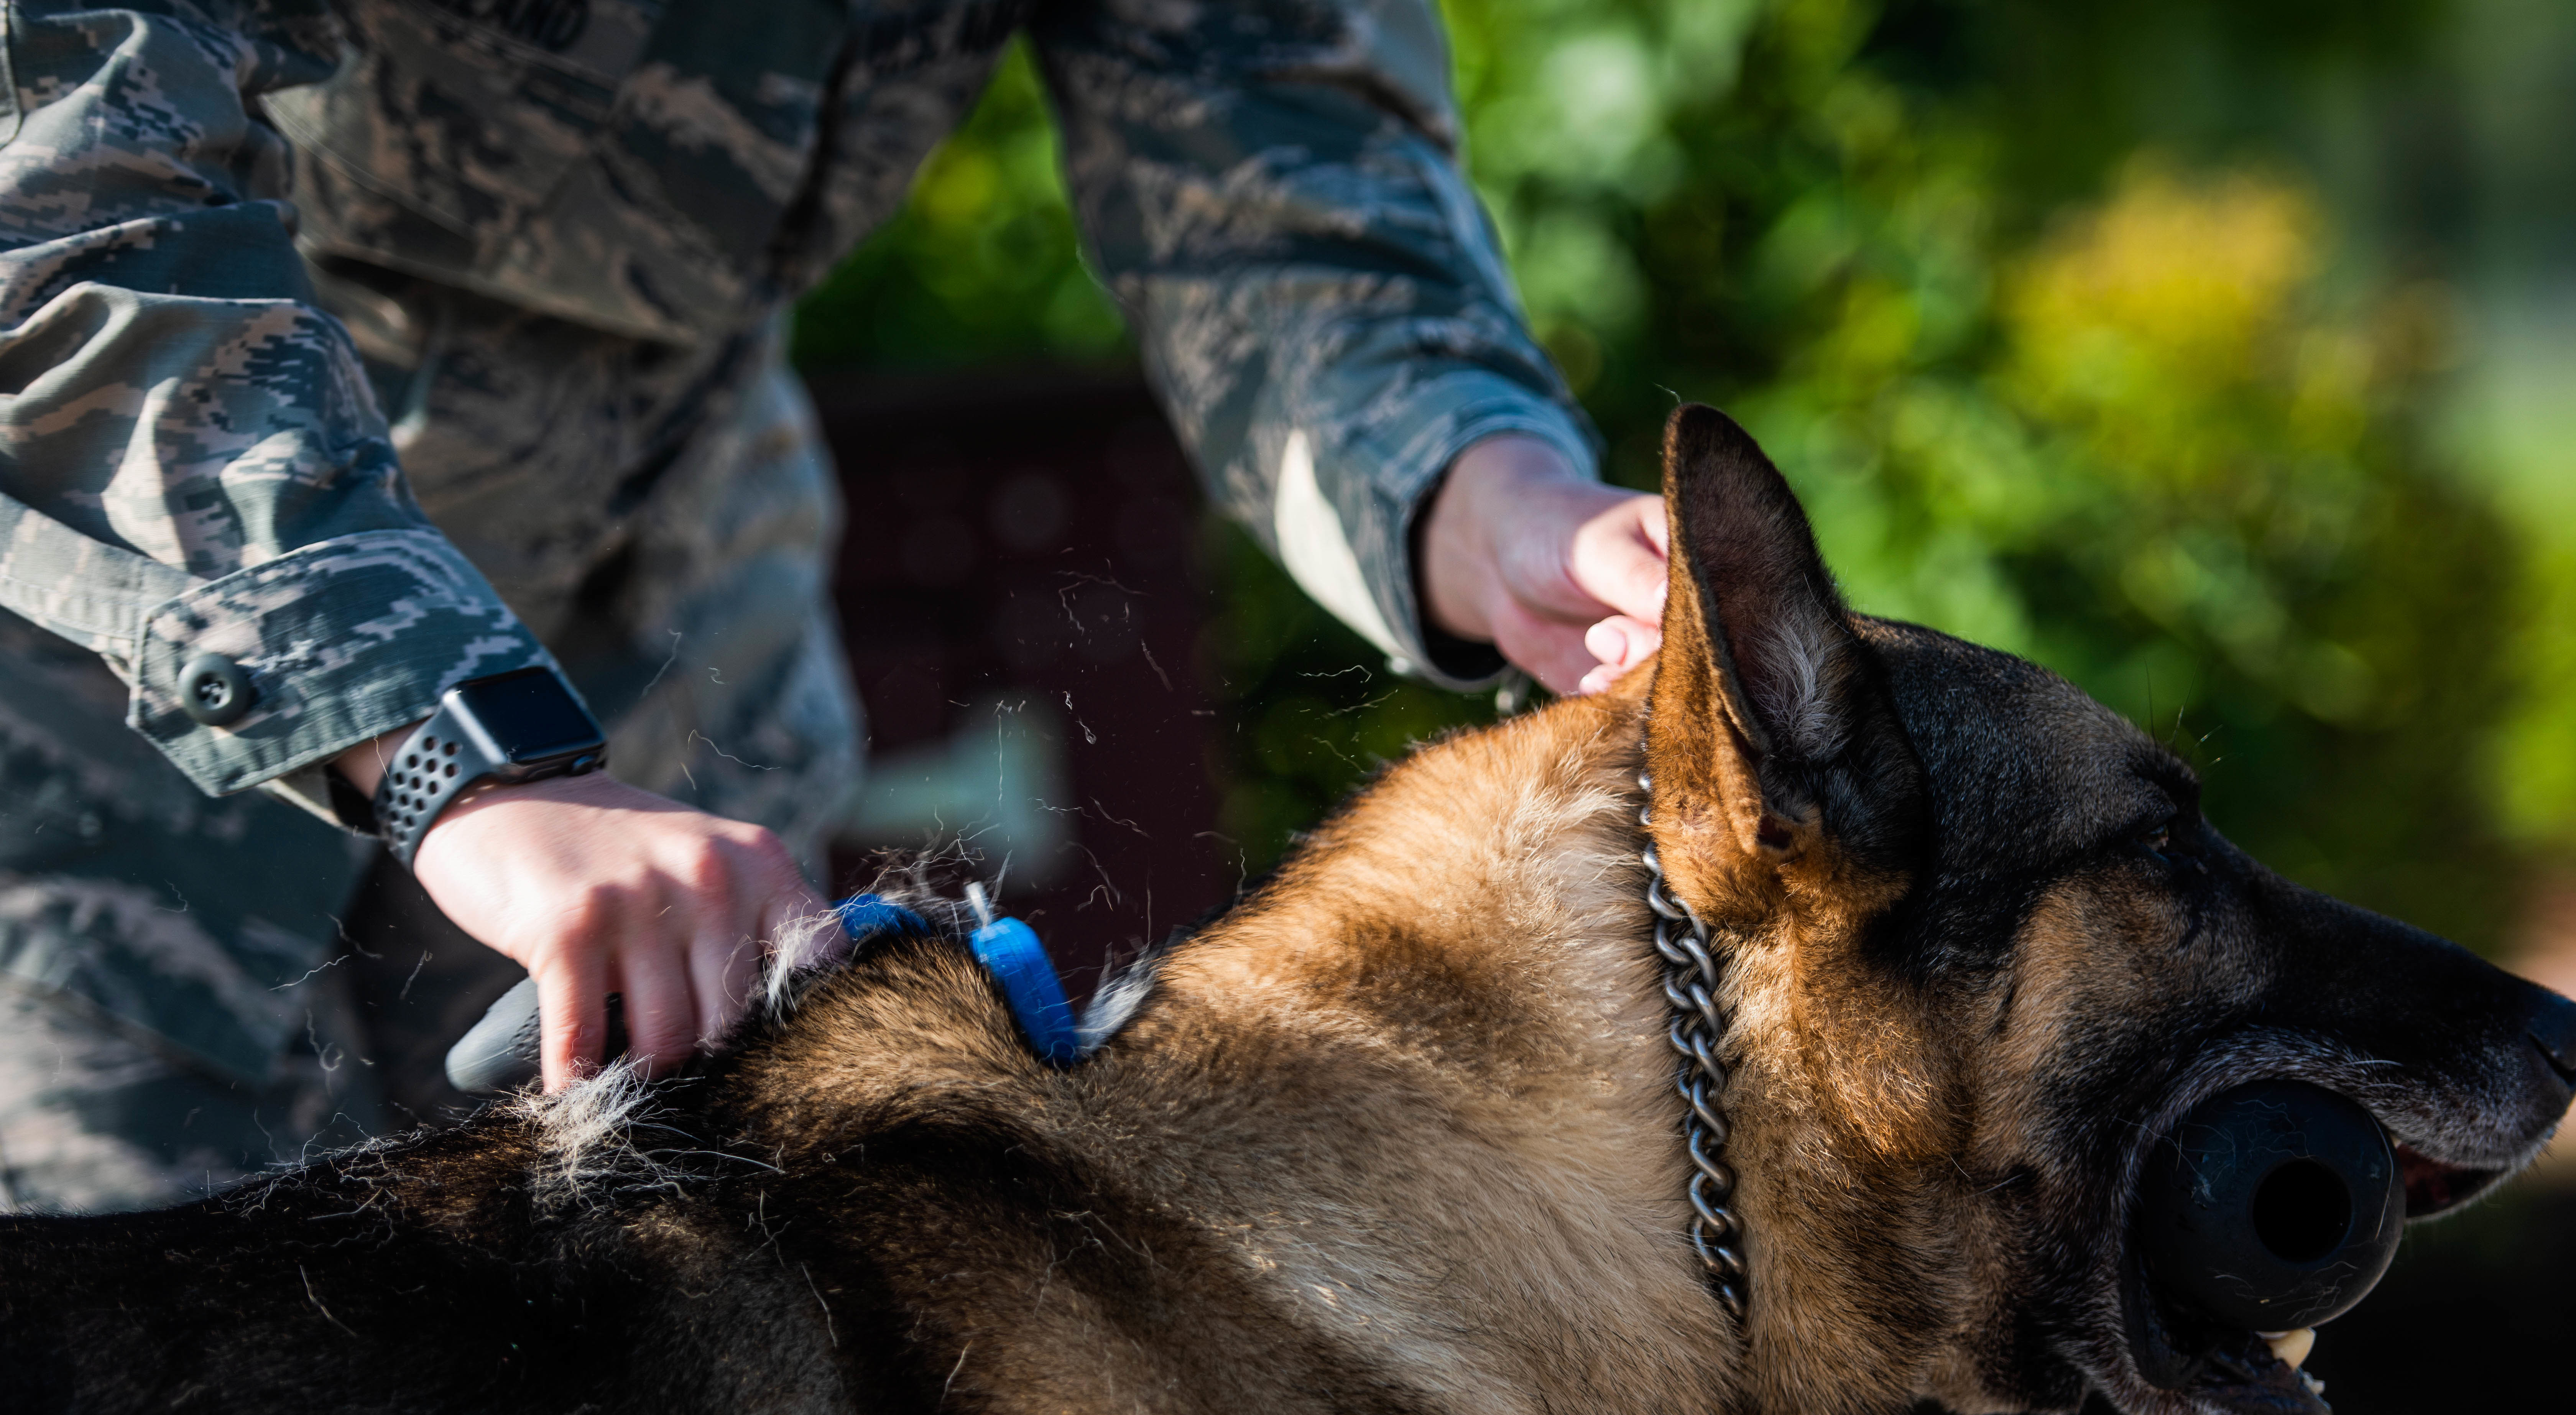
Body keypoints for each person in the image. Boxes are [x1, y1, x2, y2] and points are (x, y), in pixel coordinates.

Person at [0, 0, 1669, 1213]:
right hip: (101, 698)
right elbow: (63, 209)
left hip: (667, 653)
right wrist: (463, 758)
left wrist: (1482, 489)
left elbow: (1278, 156)